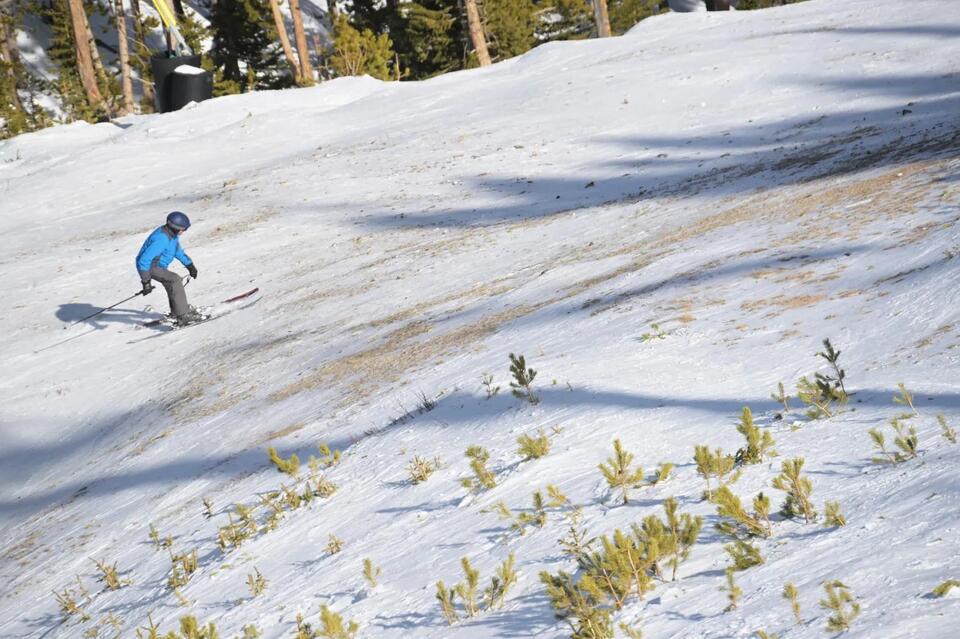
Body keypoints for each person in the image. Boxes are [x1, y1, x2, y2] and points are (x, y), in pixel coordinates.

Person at [136, 211, 202, 325]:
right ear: (175, 227)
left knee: (172, 282)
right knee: (174, 279)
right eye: (183, 229)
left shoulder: (172, 235)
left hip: (156, 265)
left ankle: (177, 312)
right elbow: (144, 260)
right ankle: (183, 315)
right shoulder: (162, 239)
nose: (184, 231)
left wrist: (190, 265)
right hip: (149, 266)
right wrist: (146, 281)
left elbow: (177, 251)